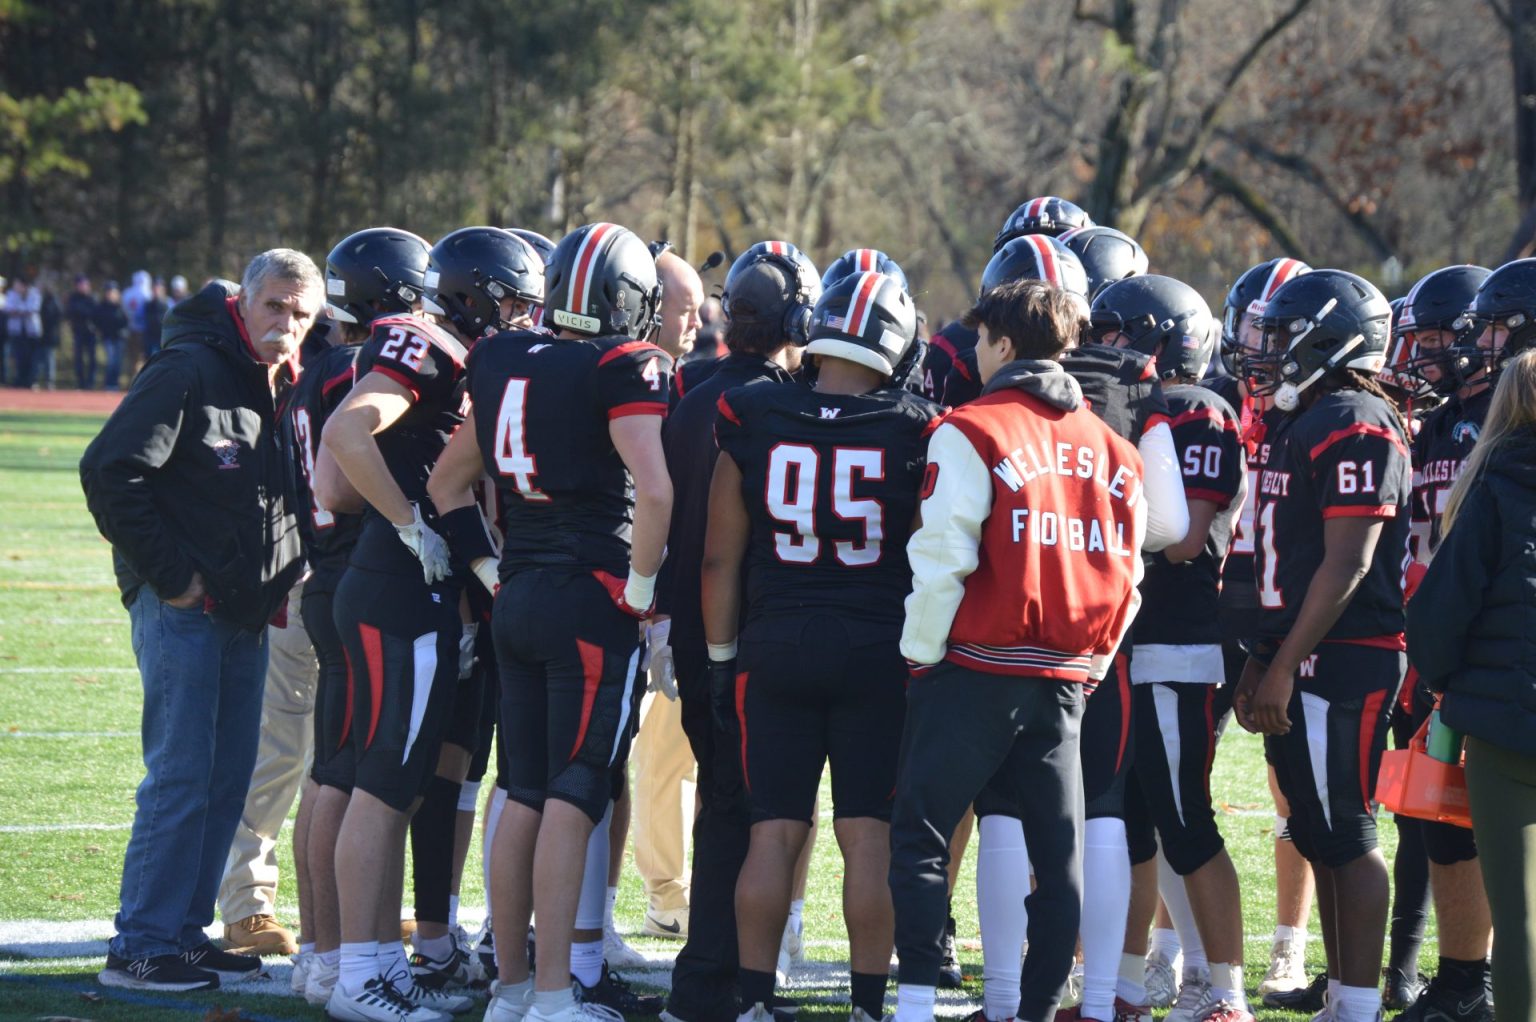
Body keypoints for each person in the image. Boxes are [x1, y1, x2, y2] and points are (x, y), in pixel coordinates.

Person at [426, 221, 672, 1022]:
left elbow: (447, 485)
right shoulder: (623, 364)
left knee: (522, 788)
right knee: (574, 792)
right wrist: (641, 590)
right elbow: (658, 492)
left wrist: (494, 571)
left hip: (522, 594)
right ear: (627, 298)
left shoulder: (502, 357)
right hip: (588, 599)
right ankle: (557, 992)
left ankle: (510, 989)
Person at [891, 278, 1146, 1022]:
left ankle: (912, 1008)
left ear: (1004, 344)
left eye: (981, 338)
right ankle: (1036, 1010)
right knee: (1058, 861)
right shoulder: (1115, 448)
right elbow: (1129, 577)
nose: (973, 350)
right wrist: (1094, 660)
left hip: (973, 665)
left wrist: (920, 653)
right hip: (1067, 675)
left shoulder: (972, 427)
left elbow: (942, 553)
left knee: (921, 835)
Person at [78, 249, 322, 992]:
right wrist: (173, 578)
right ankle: (141, 947)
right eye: (275, 305)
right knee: (181, 776)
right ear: (243, 301)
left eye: (301, 311)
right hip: (186, 607)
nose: (287, 322)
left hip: (245, 611)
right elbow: (109, 469)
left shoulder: (282, 379)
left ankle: (182, 934)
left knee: (226, 779)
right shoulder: (188, 368)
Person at [702, 270, 941, 1022]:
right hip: (877, 647)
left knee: (772, 830)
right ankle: (869, 1007)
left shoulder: (753, 410)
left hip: (776, 642)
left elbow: (718, 559)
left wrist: (718, 659)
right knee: (869, 836)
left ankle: (754, 1002)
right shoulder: (918, 425)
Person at [318, 224, 488, 1022]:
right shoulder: (423, 345)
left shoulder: (426, 345)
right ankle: (359, 975)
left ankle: (375, 962)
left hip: (390, 590)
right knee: (385, 788)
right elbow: (346, 438)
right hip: (396, 589)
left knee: (385, 782)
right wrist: (410, 524)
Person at [1233, 269, 1410, 1022]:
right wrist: (1258, 655)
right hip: (1299, 651)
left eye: (1282, 334)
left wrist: (1280, 663)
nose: (1268, 348)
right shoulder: (1306, 417)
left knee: (1346, 831)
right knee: (1314, 826)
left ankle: (1361, 1005)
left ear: (1328, 338)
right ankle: (1343, 995)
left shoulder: (1356, 419)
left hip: (1346, 653)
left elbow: (1348, 561)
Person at [657, 240, 821, 1022]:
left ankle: (712, 972)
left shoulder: (691, 394)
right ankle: (715, 978)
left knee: (726, 799)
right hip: (744, 626)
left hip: (690, 623)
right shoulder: (772, 407)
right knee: (744, 807)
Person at [1087, 275, 1251, 1022]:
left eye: (1117, 333)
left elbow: (1184, 539)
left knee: (1186, 820)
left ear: (1161, 337)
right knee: (1140, 824)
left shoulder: (1197, 411)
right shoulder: (1147, 409)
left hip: (1176, 643)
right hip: (1136, 642)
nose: (1106, 347)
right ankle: (1127, 986)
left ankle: (1227, 991)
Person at [1406, 347, 1536, 1022]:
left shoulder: (1491, 486)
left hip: (1505, 727)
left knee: (1518, 922)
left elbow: (1439, 612)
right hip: (1504, 713)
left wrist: (1442, 681)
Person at [1209, 257, 1317, 1009]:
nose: (1263, 346)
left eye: (1278, 332)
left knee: (1296, 794)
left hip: (1287, 615)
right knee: (1179, 787)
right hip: (1211, 612)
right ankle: (1173, 950)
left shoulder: (1318, 416)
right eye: (1255, 328)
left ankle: (1289, 948)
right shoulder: (1209, 401)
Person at [629, 250, 708, 953]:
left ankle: (672, 891)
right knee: (657, 756)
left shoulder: (672, 378)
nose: (698, 318)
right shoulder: (628, 378)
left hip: (655, 593)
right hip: (625, 593)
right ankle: (667, 893)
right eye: (684, 305)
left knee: (671, 750)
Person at [5, 277, 42, 387]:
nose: (15, 287)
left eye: (17, 284)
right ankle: (19, 380)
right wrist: (23, 311)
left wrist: (18, 311)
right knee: (18, 357)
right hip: (17, 331)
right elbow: (8, 308)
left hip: (31, 332)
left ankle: (31, 381)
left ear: (24, 285)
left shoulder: (35, 294)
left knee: (31, 358)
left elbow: (33, 309)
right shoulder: (11, 294)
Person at [94, 281, 129, 389]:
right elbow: (97, 321)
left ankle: (115, 384)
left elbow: (126, 321)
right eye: (109, 292)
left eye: (113, 292)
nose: (110, 294)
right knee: (111, 360)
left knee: (118, 362)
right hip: (107, 337)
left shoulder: (120, 307)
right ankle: (109, 384)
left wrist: (124, 331)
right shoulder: (101, 307)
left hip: (119, 338)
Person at [67, 275, 99, 389]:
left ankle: (90, 383)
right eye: (81, 284)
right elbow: (70, 312)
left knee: (92, 359)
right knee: (78, 359)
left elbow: (95, 313)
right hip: (78, 332)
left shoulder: (92, 298)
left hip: (91, 333)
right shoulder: (73, 298)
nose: (83, 287)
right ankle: (80, 383)